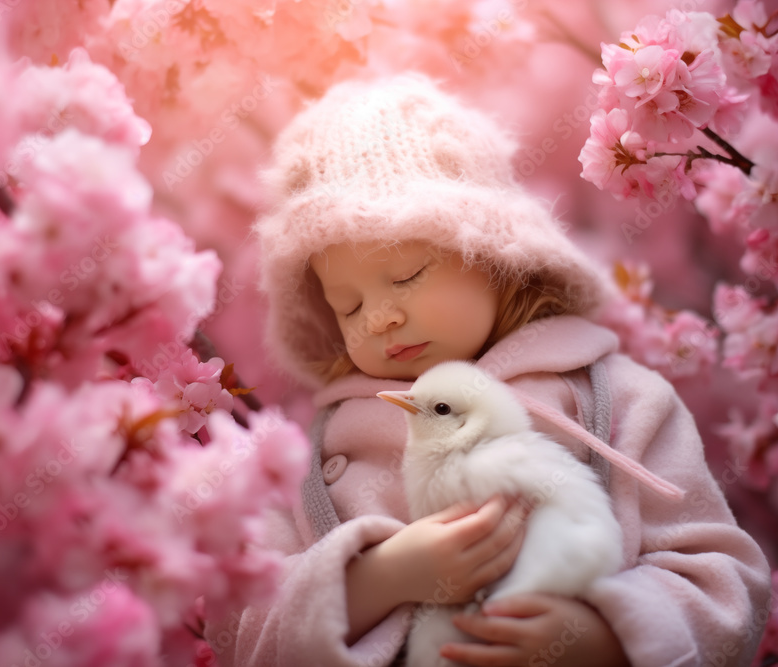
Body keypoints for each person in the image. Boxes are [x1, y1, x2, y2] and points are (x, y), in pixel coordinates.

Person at [204, 73, 772, 667]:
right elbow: (242, 625)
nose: (377, 318)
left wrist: (607, 635)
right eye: (346, 304)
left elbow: (726, 582)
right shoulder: (318, 452)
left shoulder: (616, 396)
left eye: (405, 276)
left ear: (497, 259)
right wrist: (377, 580)